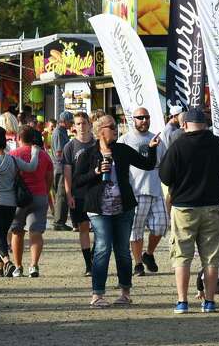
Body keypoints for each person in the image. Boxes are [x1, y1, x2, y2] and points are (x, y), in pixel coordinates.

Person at [73, 113, 159, 307]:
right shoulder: (88, 154)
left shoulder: (122, 150)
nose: (115, 129)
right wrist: (95, 172)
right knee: (102, 248)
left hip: (123, 208)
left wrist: (152, 149)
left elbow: (147, 164)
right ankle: (97, 294)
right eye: (111, 127)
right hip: (98, 209)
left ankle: (125, 292)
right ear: (101, 131)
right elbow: (78, 181)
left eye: (115, 126)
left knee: (122, 250)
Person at [159, 107, 219, 314]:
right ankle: (209, 301)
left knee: (182, 255)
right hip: (212, 206)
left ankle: (182, 302)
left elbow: (165, 176)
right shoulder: (217, 143)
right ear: (205, 124)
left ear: (184, 125)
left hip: (184, 208)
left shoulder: (178, 145)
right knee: (211, 257)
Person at [0, 127, 40, 277]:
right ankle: (0, 268)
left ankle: (7, 262)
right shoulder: (12, 160)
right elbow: (31, 167)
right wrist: (35, 152)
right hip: (10, 202)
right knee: (4, 233)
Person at [122, 107, 167, 276]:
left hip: (155, 189)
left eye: (147, 117)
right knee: (136, 229)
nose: (144, 120)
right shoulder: (125, 139)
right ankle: (138, 263)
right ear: (132, 119)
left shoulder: (157, 139)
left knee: (161, 225)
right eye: (140, 117)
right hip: (135, 191)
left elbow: (164, 163)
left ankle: (148, 254)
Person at [9, 126, 54, 276]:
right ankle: (34, 265)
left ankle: (18, 266)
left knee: (17, 231)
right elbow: (49, 177)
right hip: (39, 195)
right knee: (36, 233)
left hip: (19, 198)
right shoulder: (44, 155)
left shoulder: (13, 154)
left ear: (19, 138)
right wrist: (45, 192)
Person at [63, 112, 96, 275]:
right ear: (73, 127)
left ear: (90, 124)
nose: (81, 126)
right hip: (79, 194)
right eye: (78, 124)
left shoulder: (98, 143)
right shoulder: (70, 147)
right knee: (83, 227)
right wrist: (69, 195)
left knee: (99, 228)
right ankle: (88, 264)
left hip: (97, 193)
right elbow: (67, 173)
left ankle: (95, 256)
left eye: (84, 123)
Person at [50, 111, 73, 231]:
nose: (72, 124)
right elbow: (59, 152)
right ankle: (59, 222)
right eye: (71, 122)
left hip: (60, 166)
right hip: (60, 166)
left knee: (61, 194)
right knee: (61, 194)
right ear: (64, 121)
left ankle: (59, 220)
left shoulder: (62, 131)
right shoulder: (59, 132)